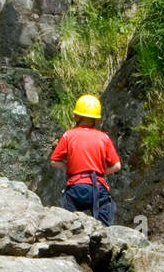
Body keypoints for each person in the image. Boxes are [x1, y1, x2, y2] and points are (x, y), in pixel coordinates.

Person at [49, 93, 120, 227]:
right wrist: (101, 172)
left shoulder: (68, 135)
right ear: (96, 120)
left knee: (67, 223)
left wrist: (70, 166)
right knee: (105, 225)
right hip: (98, 187)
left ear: (76, 117)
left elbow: (54, 161)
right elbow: (117, 166)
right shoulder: (103, 137)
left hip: (75, 187)